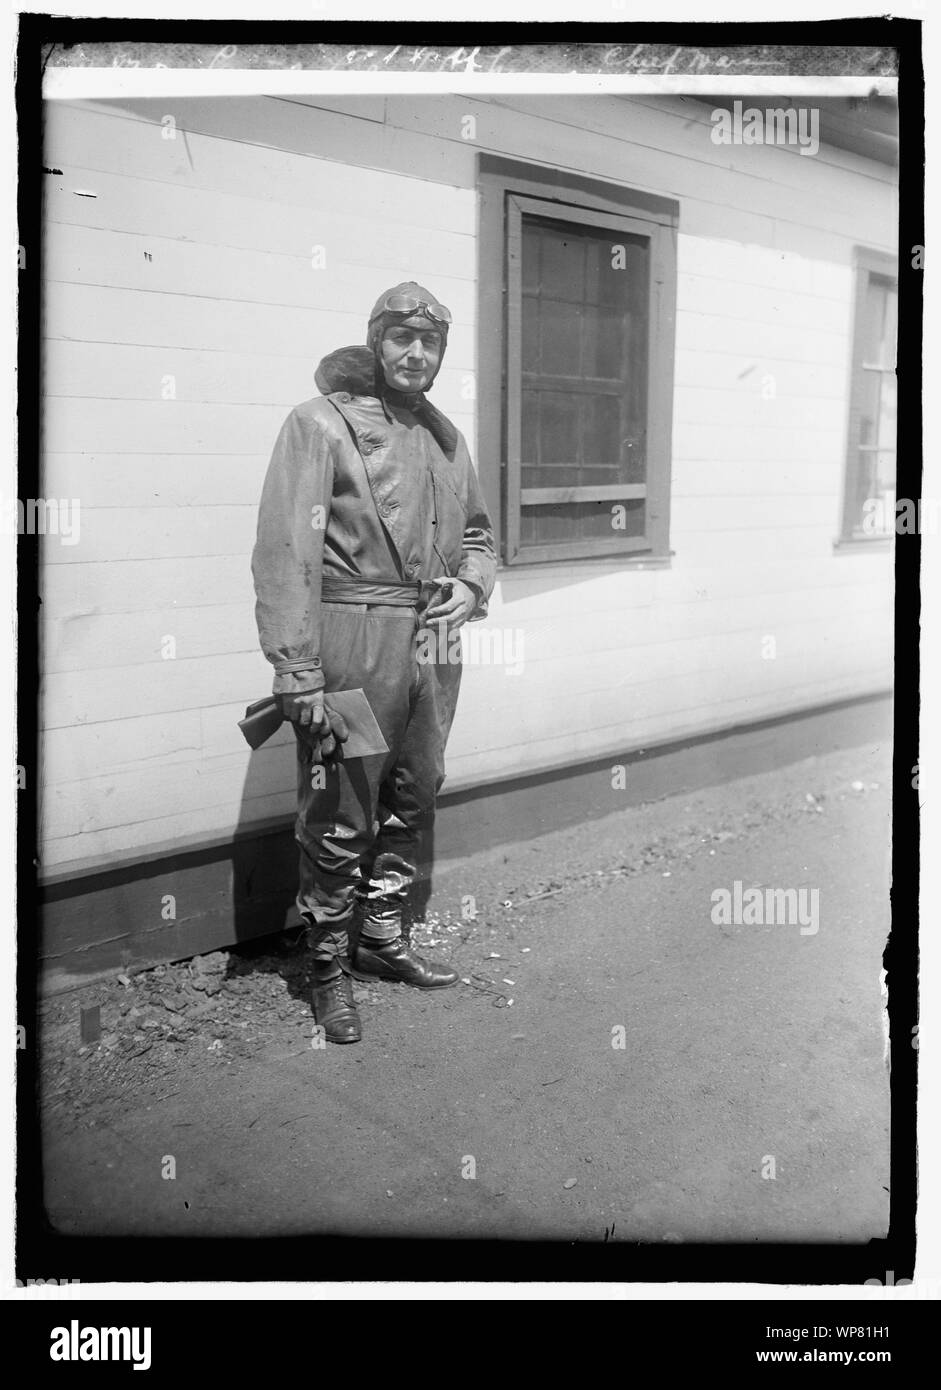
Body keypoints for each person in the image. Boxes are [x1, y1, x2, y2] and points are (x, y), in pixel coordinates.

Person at [252, 282, 497, 1043]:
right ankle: (326, 967)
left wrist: (470, 584)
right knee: (341, 806)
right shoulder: (318, 425)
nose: (415, 354)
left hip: (434, 638)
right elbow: (285, 550)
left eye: (430, 344)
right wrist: (295, 668)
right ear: (375, 341)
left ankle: (381, 940)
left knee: (415, 791)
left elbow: (482, 538)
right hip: (354, 633)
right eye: (401, 339)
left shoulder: (446, 438)